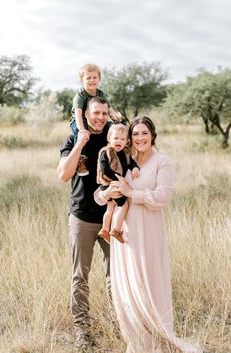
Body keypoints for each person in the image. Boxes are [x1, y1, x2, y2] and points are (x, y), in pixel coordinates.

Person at [94, 116, 202, 353]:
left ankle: (160, 343)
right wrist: (106, 194)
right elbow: (100, 191)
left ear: (153, 134)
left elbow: (162, 198)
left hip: (149, 233)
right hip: (124, 236)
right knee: (127, 289)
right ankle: (136, 345)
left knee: (150, 287)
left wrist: (131, 193)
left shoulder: (163, 162)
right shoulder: (123, 157)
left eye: (144, 133)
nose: (140, 138)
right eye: (135, 134)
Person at [58, 96, 117, 350]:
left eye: (105, 113)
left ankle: (120, 323)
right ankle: (83, 331)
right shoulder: (74, 137)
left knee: (117, 275)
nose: (101, 118)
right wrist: (79, 144)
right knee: (80, 276)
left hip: (110, 217)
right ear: (86, 114)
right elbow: (63, 175)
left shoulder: (113, 138)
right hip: (81, 217)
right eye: (96, 113)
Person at [70, 63, 121, 177]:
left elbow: (109, 109)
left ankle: (114, 154)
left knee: (111, 127)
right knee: (79, 135)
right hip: (79, 120)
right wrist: (82, 130)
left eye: (95, 77)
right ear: (82, 80)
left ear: (99, 79)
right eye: (88, 78)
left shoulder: (101, 93)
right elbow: (78, 114)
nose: (92, 80)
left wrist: (115, 120)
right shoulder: (80, 95)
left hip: (93, 120)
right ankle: (81, 160)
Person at [97, 123, 140, 244]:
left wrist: (135, 168)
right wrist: (118, 179)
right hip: (109, 183)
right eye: (116, 138)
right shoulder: (106, 152)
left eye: (122, 139)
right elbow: (105, 169)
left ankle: (105, 229)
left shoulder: (125, 152)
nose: (119, 141)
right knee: (124, 205)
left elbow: (131, 163)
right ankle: (116, 229)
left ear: (127, 141)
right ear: (109, 138)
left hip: (114, 184)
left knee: (110, 207)